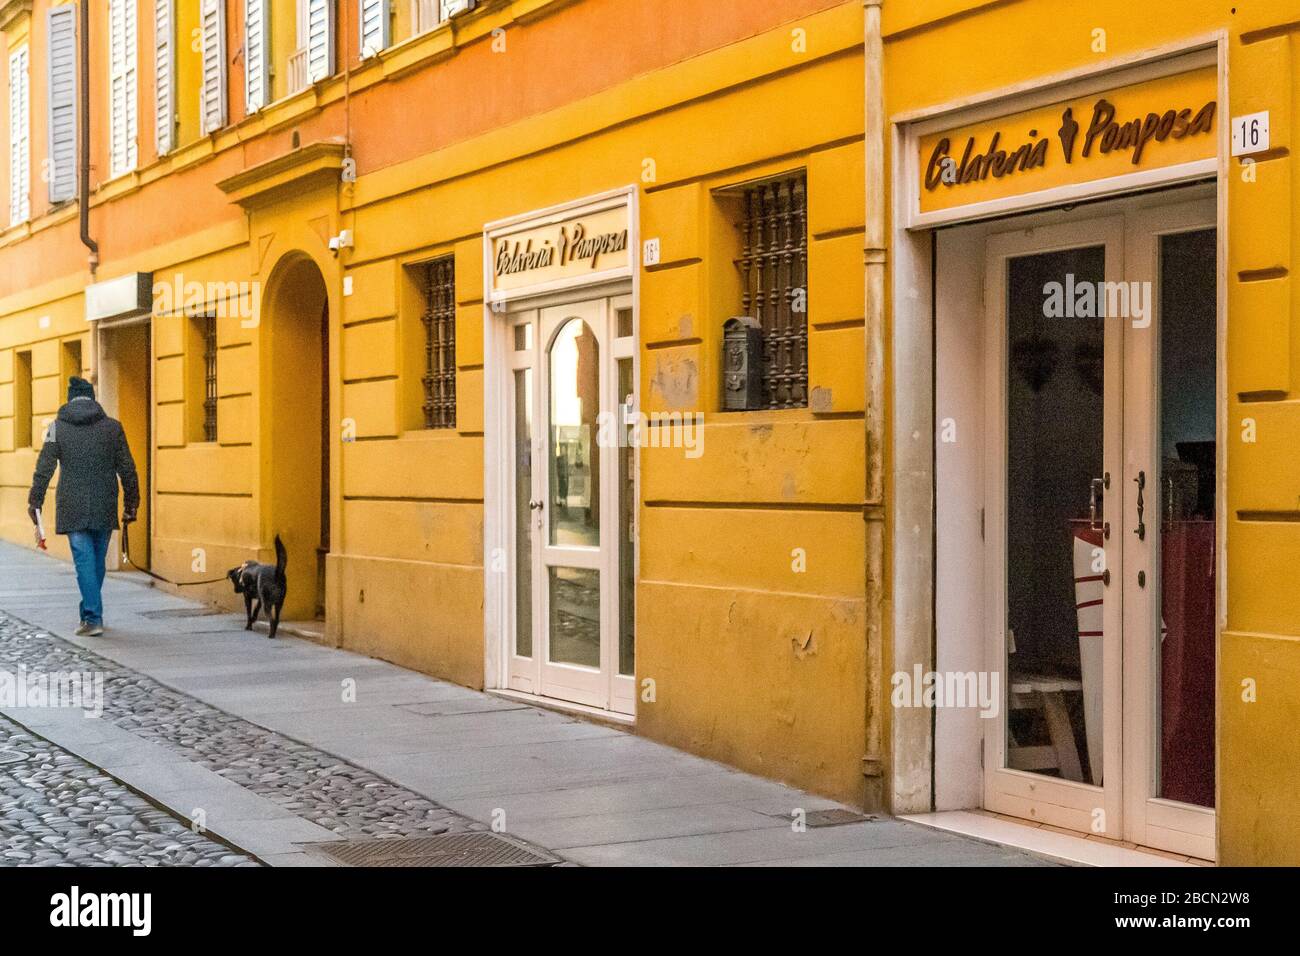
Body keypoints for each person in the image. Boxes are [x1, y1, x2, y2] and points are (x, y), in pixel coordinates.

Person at [28, 376, 140, 637]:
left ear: (69, 399)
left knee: (85, 562)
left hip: (72, 503)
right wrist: (132, 504)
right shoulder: (113, 428)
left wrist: (35, 502)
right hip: (104, 503)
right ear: (93, 398)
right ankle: (90, 612)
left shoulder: (57, 427)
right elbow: (128, 469)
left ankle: (92, 617)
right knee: (96, 562)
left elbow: (44, 468)